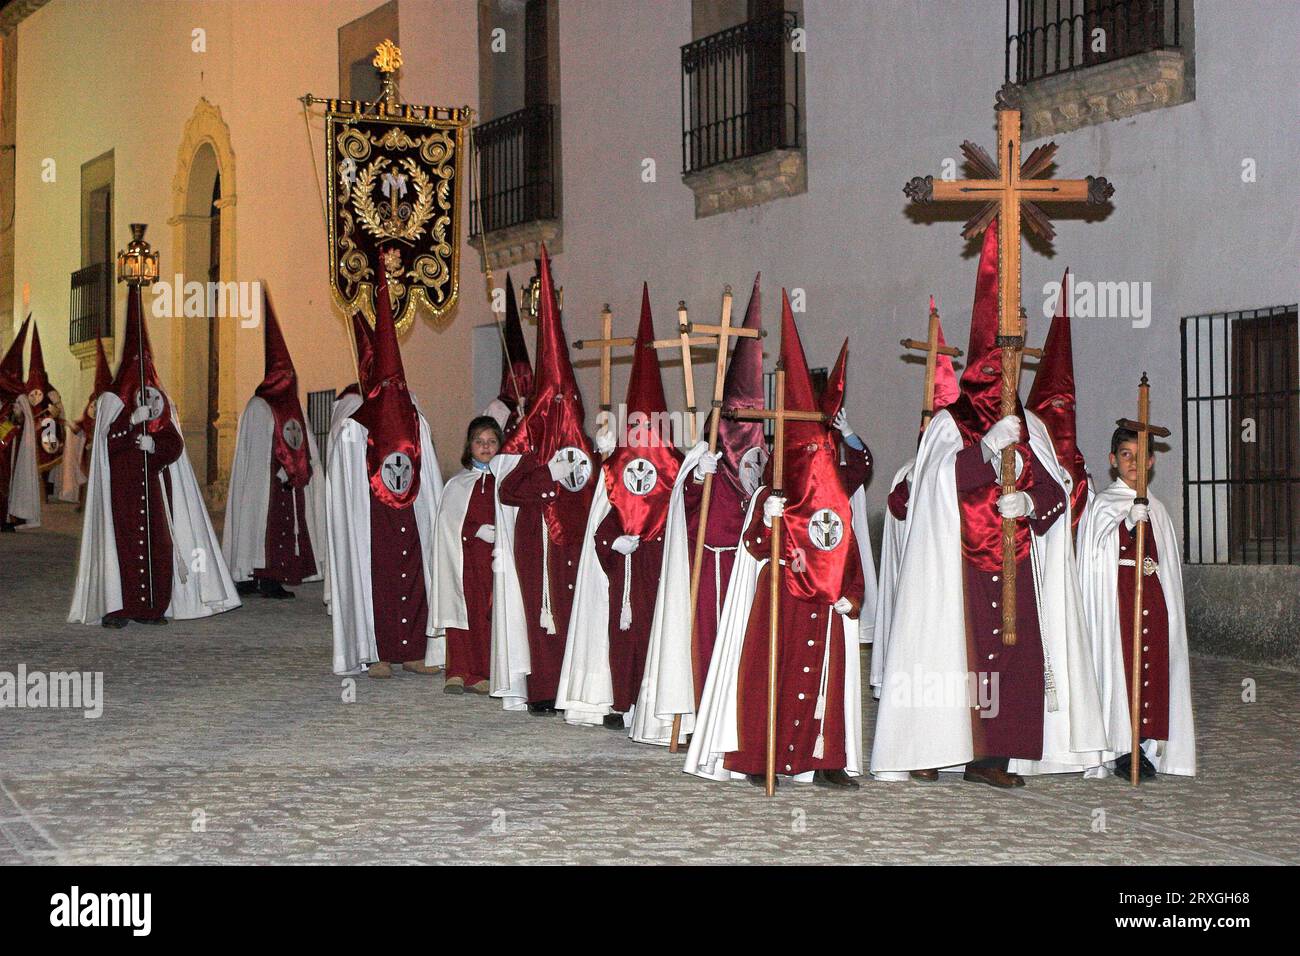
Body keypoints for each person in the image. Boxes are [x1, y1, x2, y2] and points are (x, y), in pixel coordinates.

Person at [870, 220, 1106, 787]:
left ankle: (992, 756)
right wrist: (982, 455)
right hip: (957, 563)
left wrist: (1029, 502)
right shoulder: (953, 423)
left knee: (1013, 661)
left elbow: (1055, 491)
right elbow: (932, 488)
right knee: (946, 654)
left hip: (1016, 561)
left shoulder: (1029, 425)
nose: (1004, 371)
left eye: (1013, 359)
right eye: (995, 359)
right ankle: (929, 743)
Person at [686, 293, 870, 789]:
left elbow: (844, 542)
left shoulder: (834, 492)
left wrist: (853, 593)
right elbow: (752, 545)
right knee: (773, 671)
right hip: (782, 595)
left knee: (826, 676)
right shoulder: (773, 488)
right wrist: (768, 520)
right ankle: (759, 757)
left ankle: (825, 757)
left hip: (826, 599)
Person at [557, 284, 691, 730]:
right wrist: (614, 541)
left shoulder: (672, 473)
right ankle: (621, 700)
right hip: (626, 570)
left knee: (658, 632)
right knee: (623, 636)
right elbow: (601, 522)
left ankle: (652, 706)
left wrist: (695, 468)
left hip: (659, 563)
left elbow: (689, 509)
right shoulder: (615, 469)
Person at [69, 282, 239, 627]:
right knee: (122, 550)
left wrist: (155, 447)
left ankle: (151, 607)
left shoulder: (158, 398)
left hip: (156, 492)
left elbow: (174, 444)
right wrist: (131, 427)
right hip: (121, 494)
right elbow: (103, 445)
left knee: (157, 548)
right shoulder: (111, 404)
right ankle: (118, 607)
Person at [328, 251, 444, 678]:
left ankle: (413, 648)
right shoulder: (354, 426)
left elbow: (426, 469)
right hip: (373, 515)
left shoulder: (415, 415)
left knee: (413, 576)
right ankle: (375, 650)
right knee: (375, 577)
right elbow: (345, 481)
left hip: (409, 512)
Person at [490, 246, 595, 714]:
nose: (560, 410)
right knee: (541, 612)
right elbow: (507, 491)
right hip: (538, 541)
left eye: (565, 401)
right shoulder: (524, 449)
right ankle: (542, 689)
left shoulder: (584, 444)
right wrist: (544, 477)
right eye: (552, 402)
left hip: (576, 541)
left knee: (577, 612)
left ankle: (576, 686)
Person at [1077, 426, 1196, 778]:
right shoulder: (1103, 505)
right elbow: (1096, 554)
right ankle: (1119, 747)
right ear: (1113, 461)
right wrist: (1126, 525)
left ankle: (1144, 744)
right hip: (1118, 604)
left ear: (1151, 461)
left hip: (1153, 603)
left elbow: (1166, 566)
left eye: (1139, 456)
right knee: (1123, 668)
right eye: (1125, 455)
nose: (1133, 462)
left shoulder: (1157, 509)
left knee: (1154, 667)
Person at [222, 289, 325, 599]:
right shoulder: (258, 407)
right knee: (258, 525)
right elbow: (253, 457)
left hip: (289, 486)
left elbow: (303, 442)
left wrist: (299, 469)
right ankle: (252, 574)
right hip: (264, 487)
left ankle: (275, 575)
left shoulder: (294, 407)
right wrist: (274, 471)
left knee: (286, 528)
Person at [431, 416, 502, 695]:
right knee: (461, 613)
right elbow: (447, 524)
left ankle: (483, 671)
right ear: (469, 446)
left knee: (488, 613)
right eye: (479, 442)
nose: (485, 447)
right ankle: (457, 670)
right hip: (464, 561)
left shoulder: (505, 481)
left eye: (491, 442)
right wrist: (474, 532)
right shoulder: (458, 484)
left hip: (495, 562)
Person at [0, 316, 39, 532]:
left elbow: (20, 422)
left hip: (10, 451)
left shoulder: (18, 399)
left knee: (8, 482)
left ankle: (11, 515)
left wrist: (16, 417)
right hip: (4, 449)